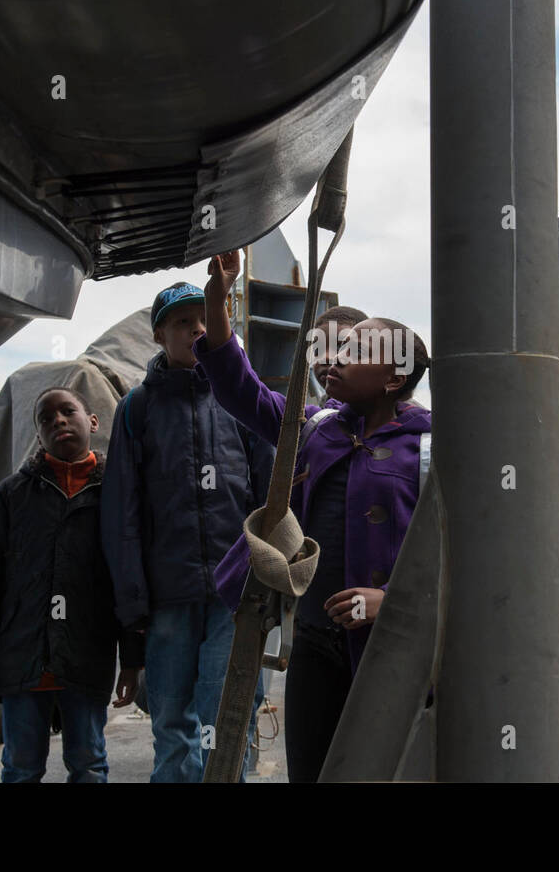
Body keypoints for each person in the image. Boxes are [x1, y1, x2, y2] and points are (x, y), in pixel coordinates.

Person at [196, 251, 431, 782]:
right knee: (311, 770)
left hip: (393, 645)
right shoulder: (312, 424)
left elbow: (463, 556)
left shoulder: (433, 448)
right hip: (317, 639)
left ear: (394, 380)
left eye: (355, 350)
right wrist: (217, 301)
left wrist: (390, 602)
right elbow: (238, 386)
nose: (333, 359)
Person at [100, 282, 273, 783]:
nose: (196, 328)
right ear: (159, 335)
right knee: (173, 717)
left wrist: (265, 582)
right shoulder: (137, 410)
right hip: (168, 594)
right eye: (182, 322)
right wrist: (132, 602)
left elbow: (268, 498)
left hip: (233, 593)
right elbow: (122, 515)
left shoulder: (242, 400)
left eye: (204, 319)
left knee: (229, 712)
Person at [0, 387, 142, 783]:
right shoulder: (12, 495)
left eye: (67, 411)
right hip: (23, 659)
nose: (57, 420)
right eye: (45, 418)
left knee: (88, 764)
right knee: (21, 768)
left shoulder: (116, 492)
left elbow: (128, 582)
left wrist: (131, 661)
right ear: (39, 436)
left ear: (92, 421)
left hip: (87, 657)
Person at [310, 305, 368, 404]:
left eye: (340, 347)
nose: (325, 357)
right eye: (317, 350)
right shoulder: (321, 411)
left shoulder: (387, 415)